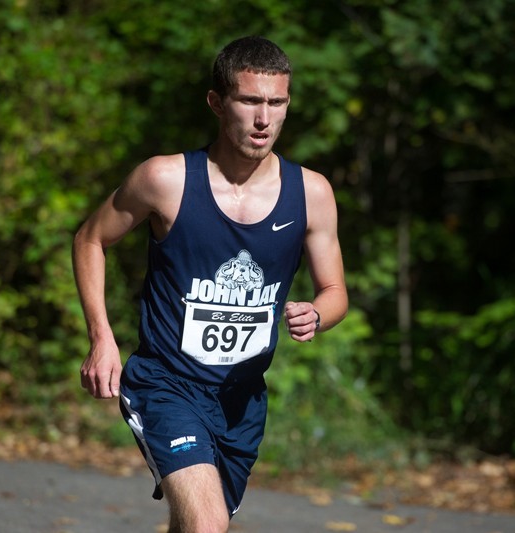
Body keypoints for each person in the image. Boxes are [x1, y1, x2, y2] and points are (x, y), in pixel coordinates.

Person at [72, 35, 348, 533]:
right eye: (250, 101)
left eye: (277, 103)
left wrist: (317, 313)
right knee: (206, 523)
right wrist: (101, 337)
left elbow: (335, 293)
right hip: (166, 384)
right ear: (217, 103)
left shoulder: (312, 193)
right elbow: (90, 239)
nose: (264, 119)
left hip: (242, 402)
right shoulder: (165, 180)